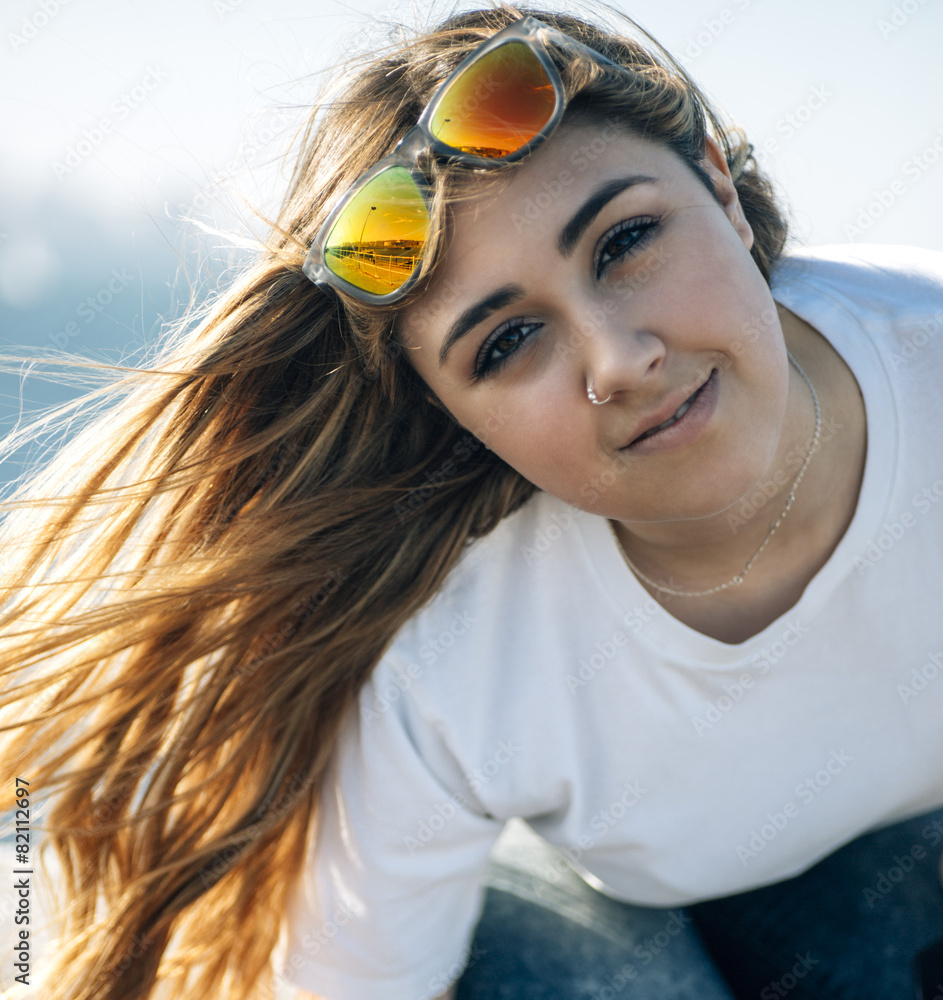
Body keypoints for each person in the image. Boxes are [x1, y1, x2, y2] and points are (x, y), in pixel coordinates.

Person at [1, 4, 942, 999]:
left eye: (625, 242)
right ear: (453, 412)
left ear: (718, 184)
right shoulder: (444, 649)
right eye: (502, 345)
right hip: (621, 930)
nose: (619, 362)